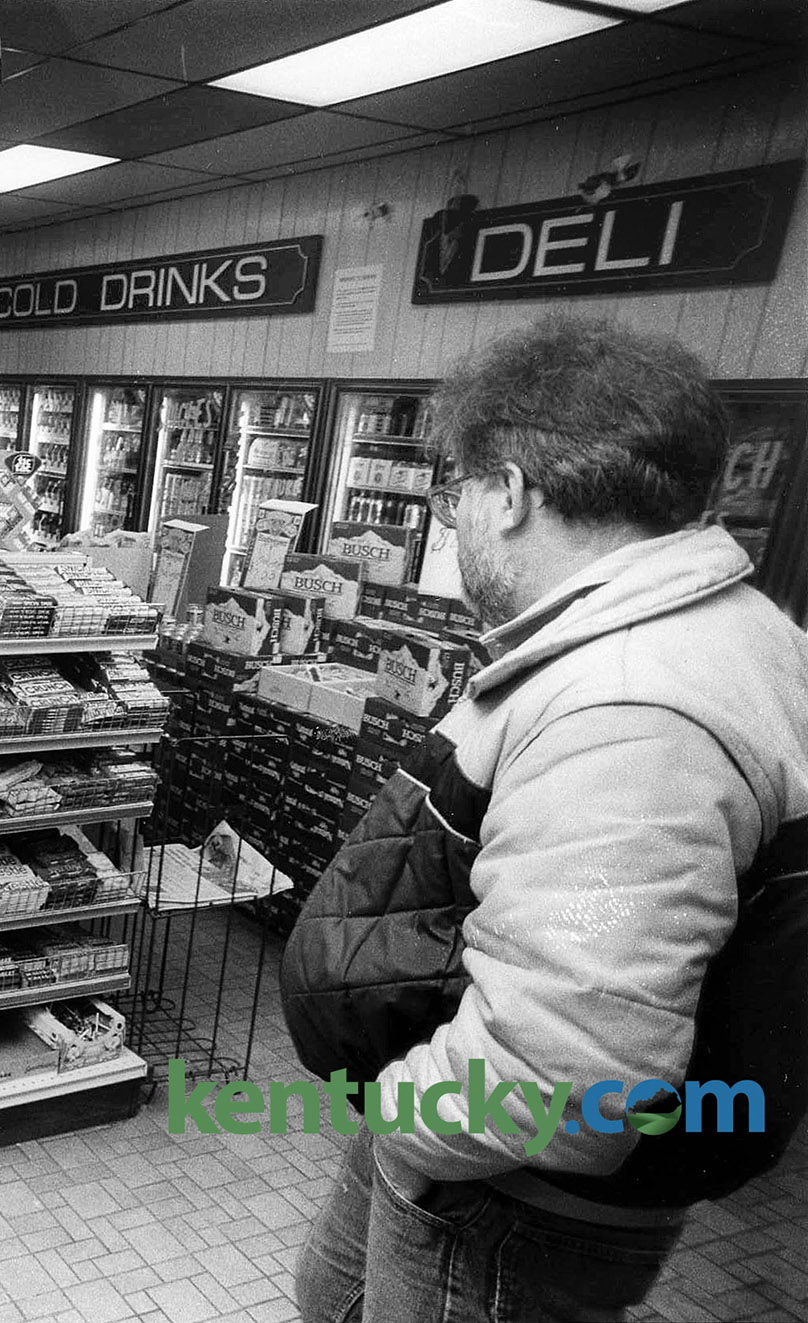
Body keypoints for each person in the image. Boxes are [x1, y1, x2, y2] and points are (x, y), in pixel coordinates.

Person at [282, 315, 808, 1323]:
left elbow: (559, 1072)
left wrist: (402, 1114)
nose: (454, 520)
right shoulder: (693, 633)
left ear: (512, 492)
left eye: (458, 492)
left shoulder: (630, 707)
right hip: (473, 1151)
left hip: (504, 1200)